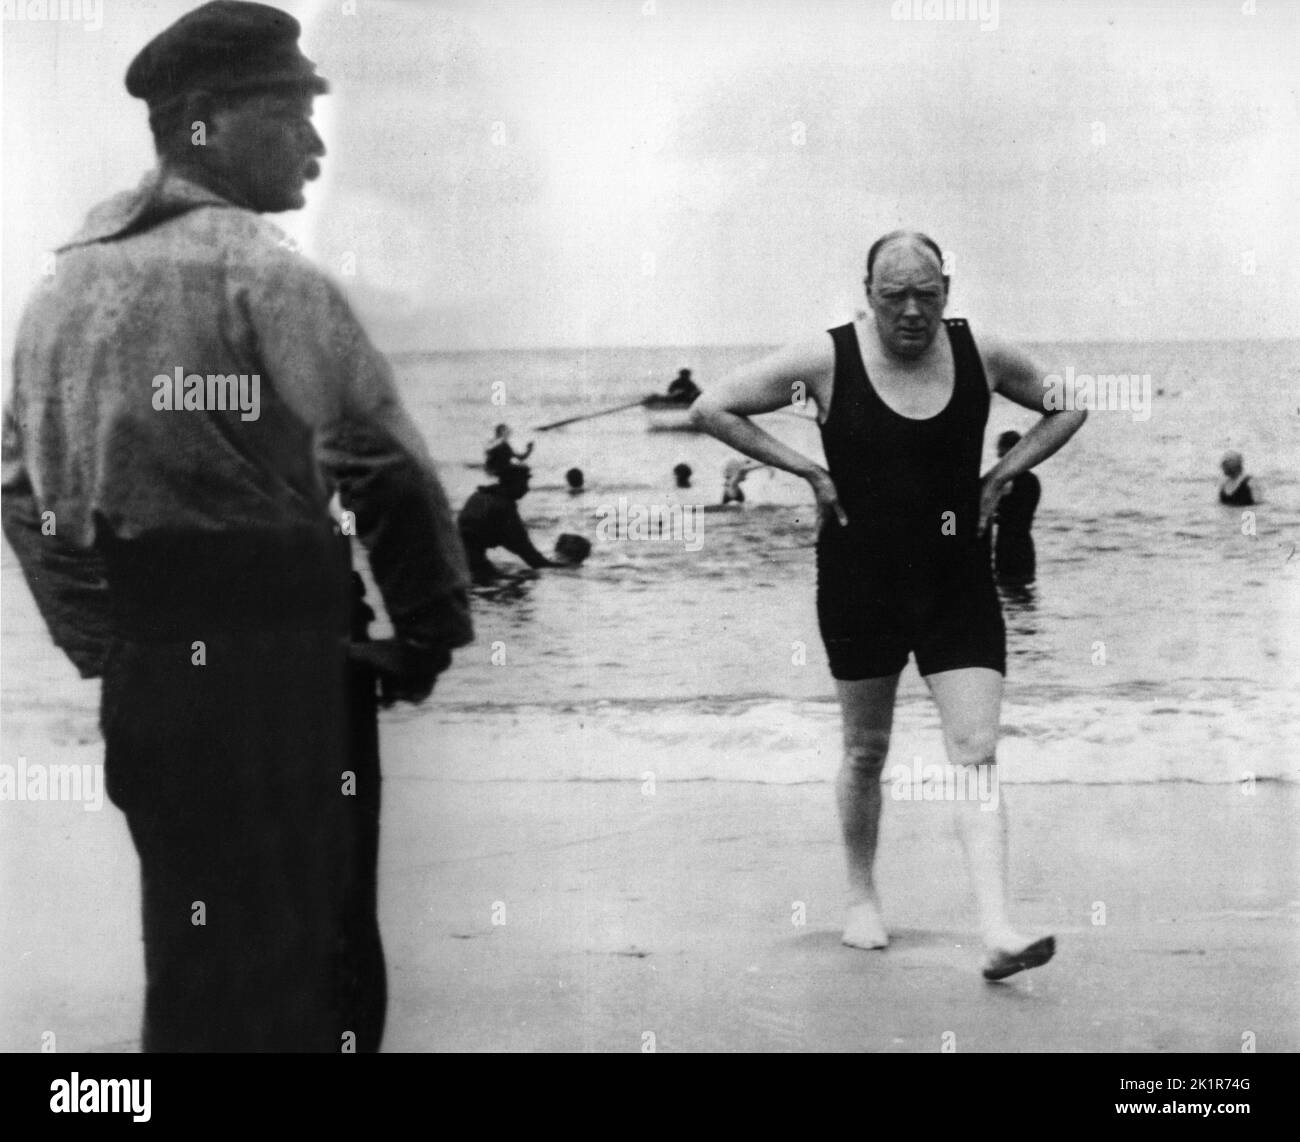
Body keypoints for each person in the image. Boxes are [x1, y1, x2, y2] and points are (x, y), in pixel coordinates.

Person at [0, 0, 472, 1051]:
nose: (315, 141)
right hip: (288, 675)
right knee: (321, 974)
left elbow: (20, 492)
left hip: (152, 678)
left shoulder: (60, 287)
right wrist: (429, 633)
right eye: (295, 112)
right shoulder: (264, 273)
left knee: (194, 963)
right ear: (208, 118)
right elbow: (381, 460)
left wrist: (100, 638)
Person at [691, 229, 1086, 980]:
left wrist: (1002, 475)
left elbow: (1069, 406)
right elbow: (714, 408)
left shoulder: (983, 354)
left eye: (927, 294)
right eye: (893, 294)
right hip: (858, 579)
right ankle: (862, 898)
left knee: (975, 749)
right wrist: (808, 470)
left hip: (957, 578)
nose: (911, 310)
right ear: (865, 292)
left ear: (947, 289)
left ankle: (998, 929)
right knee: (866, 751)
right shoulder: (827, 357)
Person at [458, 464, 579, 582]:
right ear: (511, 483)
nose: (527, 489)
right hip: (468, 558)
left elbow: (514, 543)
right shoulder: (503, 507)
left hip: (454, 552)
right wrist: (571, 569)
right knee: (521, 583)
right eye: (524, 483)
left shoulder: (480, 495)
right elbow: (533, 559)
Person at [991, 430, 1041, 582]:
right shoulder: (1030, 480)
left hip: (1010, 547)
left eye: (1002, 454)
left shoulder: (1011, 481)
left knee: (1009, 589)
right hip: (1020, 546)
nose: (999, 458)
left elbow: (1013, 517)